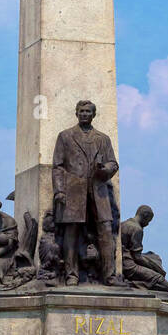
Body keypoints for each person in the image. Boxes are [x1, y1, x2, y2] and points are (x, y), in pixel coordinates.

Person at [51, 100, 123, 286]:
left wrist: (104, 170)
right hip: (73, 190)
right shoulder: (65, 136)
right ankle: (71, 274)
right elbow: (57, 167)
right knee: (71, 232)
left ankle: (110, 275)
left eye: (88, 111)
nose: (84, 114)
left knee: (106, 230)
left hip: (98, 190)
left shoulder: (103, 138)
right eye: (81, 111)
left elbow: (113, 163)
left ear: (94, 114)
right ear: (76, 113)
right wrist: (59, 190)